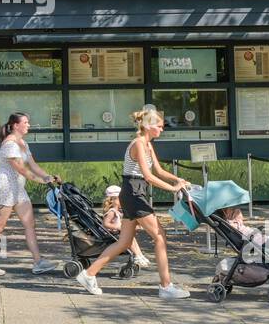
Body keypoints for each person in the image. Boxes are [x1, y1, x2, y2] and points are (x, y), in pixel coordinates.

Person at [76, 108, 190, 298]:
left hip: (134, 192)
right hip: (134, 192)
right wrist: (172, 189)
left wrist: (178, 181)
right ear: (147, 126)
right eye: (159, 126)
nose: (162, 130)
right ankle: (166, 286)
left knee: (124, 242)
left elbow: (159, 171)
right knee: (160, 236)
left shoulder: (148, 144)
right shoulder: (138, 143)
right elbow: (147, 176)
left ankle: (88, 274)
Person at [0, 113, 63, 276]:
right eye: (25, 122)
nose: (28, 125)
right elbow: (21, 169)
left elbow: (33, 165)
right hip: (5, 188)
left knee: (30, 224)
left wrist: (48, 177)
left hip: (18, 189)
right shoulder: (10, 144)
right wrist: (40, 181)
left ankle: (38, 262)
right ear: (16, 125)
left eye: (28, 122)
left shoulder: (23, 143)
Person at [101, 185, 149, 267]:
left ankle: (139, 255)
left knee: (130, 237)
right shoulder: (111, 212)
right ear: (112, 200)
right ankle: (138, 255)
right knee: (129, 237)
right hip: (112, 233)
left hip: (118, 232)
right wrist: (117, 227)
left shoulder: (118, 211)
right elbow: (105, 224)